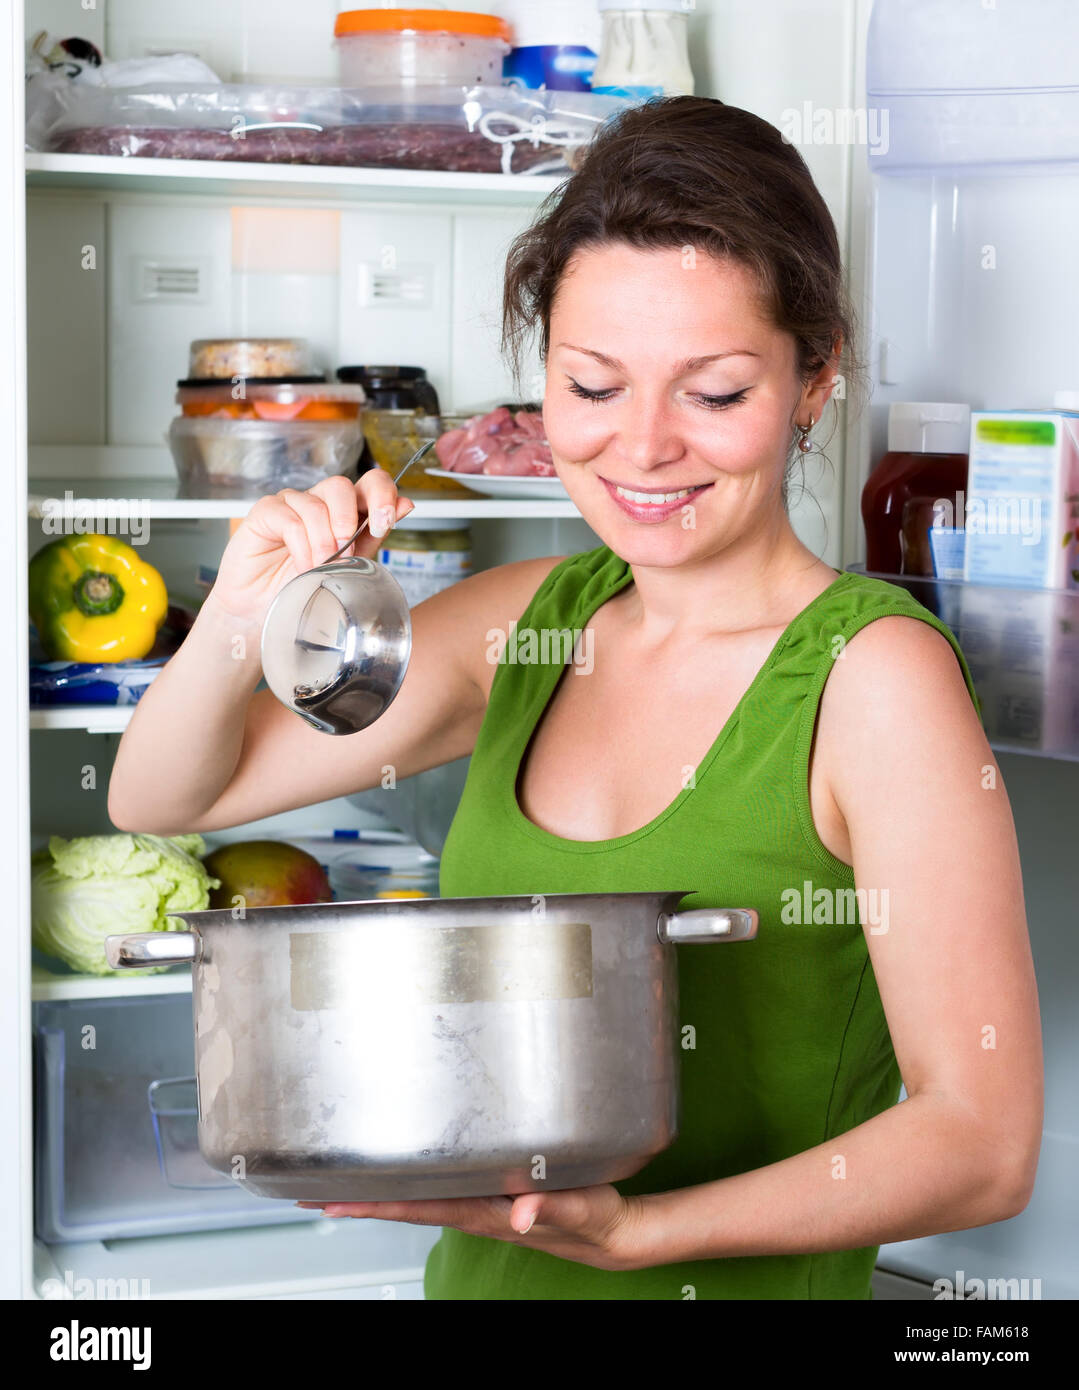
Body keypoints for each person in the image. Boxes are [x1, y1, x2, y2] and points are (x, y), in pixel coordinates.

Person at [109, 97, 1043, 1301]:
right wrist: (245, 606)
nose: (641, 447)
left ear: (813, 382)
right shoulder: (529, 623)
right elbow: (164, 793)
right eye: (592, 386)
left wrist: (641, 1237)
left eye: (711, 393)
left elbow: (982, 1143)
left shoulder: (871, 680)